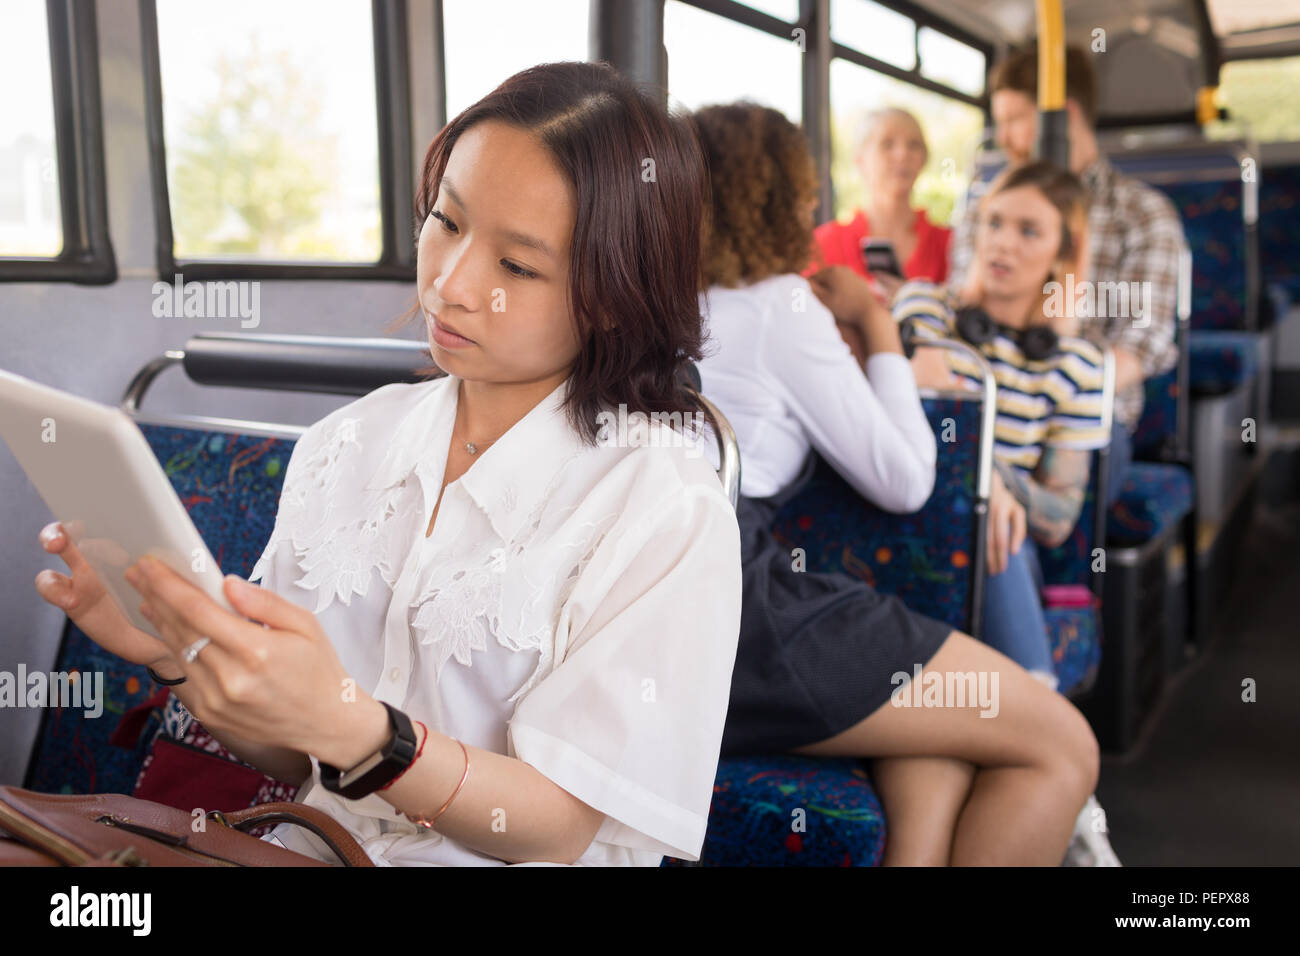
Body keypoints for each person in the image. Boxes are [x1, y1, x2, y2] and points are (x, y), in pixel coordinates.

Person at [32, 61, 742, 867]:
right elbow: (295, 759)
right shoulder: (347, 442)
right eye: (447, 220)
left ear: (612, 294)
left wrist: (369, 734)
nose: (450, 282)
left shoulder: (662, 506)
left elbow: (561, 822)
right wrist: (174, 655)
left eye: (516, 267)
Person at [692, 101, 1099, 866]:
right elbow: (908, 482)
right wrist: (876, 329)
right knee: (1061, 745)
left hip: (660, 621)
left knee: (947, 728)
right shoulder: (781, 305)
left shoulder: (627, 301)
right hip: (749, 624)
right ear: (789, 199)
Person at [905, 159, 1120, 866]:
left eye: (1029, 231)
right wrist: (979, 474)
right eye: (994, 223)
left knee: (994, 530)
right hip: (902, 525)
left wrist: (990, 480)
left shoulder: (1081, 367)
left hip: (1002, 548)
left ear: (1061, 256)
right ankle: (1062, 768)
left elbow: (1059, 513)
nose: (1002, 242)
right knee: (974, 518)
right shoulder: (923, 315)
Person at [949, 46, 1187, 503]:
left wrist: (1046, 396)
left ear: (1065, 116)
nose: (1005, 138)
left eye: (1016, 118)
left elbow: (1143, 345)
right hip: (983, 392)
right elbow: (967, 308)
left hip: (1087, 411)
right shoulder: (984, 206)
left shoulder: (1141, 214)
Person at [811, 108, 951, 307]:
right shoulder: (823, 244)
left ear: (924, 159)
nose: (902, 154)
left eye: (914, 145)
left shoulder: (950, 245)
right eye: (887, 144)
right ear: (860, 159)